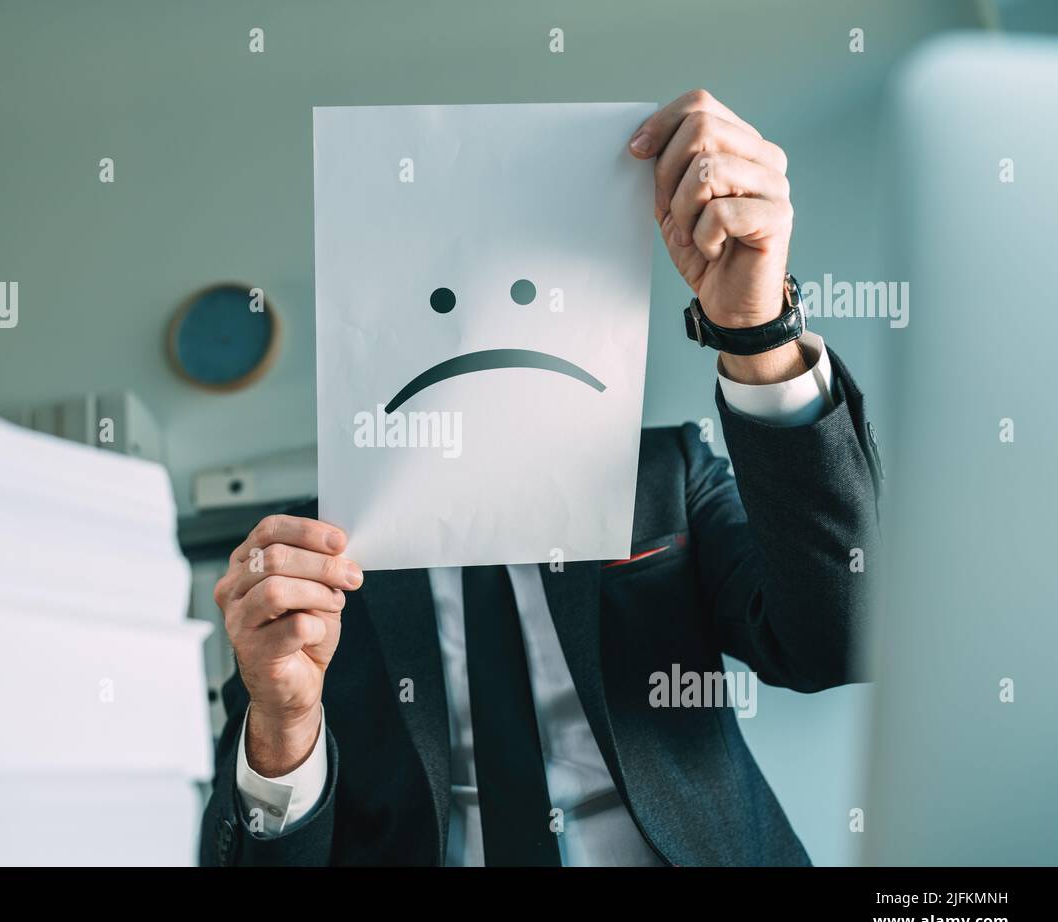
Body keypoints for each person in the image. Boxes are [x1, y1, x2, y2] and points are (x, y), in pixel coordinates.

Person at [201, 90, 882, 866]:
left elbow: (845, 640)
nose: (481, 327)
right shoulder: (304, 567)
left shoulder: (663, 479)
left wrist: (758, 332)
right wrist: (284, 731)